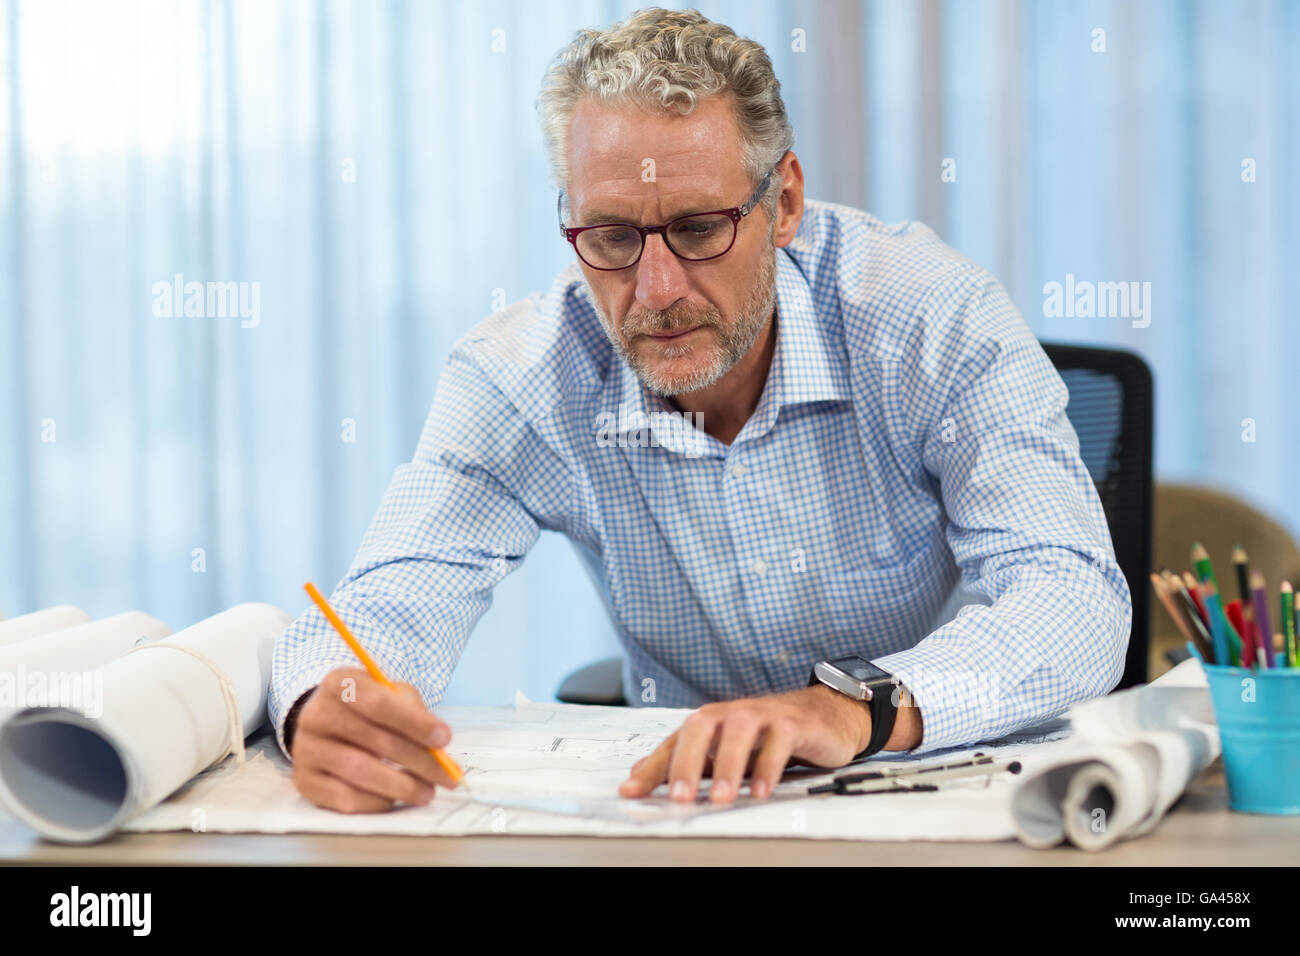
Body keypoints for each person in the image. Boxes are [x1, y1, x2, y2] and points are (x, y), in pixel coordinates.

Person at [271, 7, 1131, 813]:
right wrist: (328, 699)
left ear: (784, 202)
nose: (657, 292)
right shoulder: (521, 375)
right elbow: (392, 595)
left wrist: (853, 706)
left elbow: (1074, 598)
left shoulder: (932, 321)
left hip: (927, 780)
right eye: (611, 238)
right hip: (682, 812)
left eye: (697, 229)